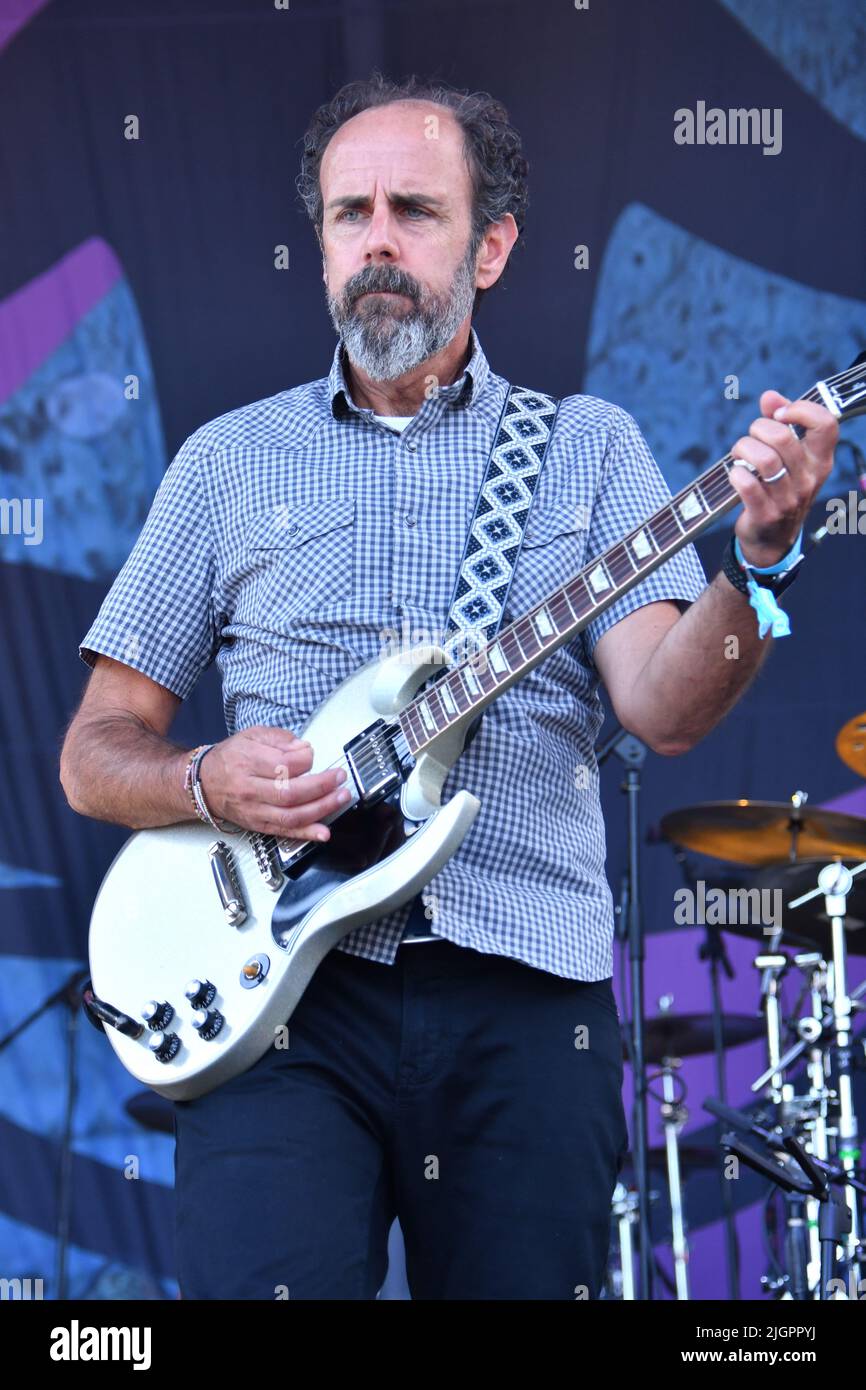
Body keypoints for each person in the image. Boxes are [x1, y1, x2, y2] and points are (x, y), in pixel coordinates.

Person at [59, 73, 837, 1300]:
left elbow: (665, 710)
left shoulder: (587, 450)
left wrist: (756, 560)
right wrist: (205, 778)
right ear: (316, 242)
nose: (376, 239)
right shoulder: (226, 460)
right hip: (284, 1009)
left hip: (526, 996)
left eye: (414, 210)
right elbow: (95, 751)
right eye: (347, 212)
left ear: (492, 245)